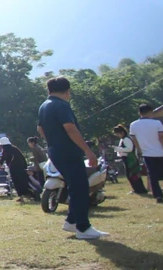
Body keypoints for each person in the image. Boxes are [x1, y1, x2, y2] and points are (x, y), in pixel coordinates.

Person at [37, 77, 108, 239]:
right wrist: (88, 151)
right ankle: (83, 227)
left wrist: (52, 142)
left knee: (75, 187)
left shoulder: (44, 106)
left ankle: (72, 221)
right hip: (68, 151)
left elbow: (40, 128)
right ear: (67, 90)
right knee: (81, 188)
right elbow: (70, 128)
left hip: (55, 151)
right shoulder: (61, 105)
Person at [111, 124, 148, 195]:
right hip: (127, 159)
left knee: (133, 175)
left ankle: (140, 190)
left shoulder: (126, 139)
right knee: (131, 175)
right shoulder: (123, 139)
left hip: (130, 160)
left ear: (122, 132)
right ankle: (137, 189)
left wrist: (118, 148)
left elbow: (129, 149)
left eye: (118, 134)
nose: (117, 135)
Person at [0, 137, 31, 202]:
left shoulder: (6, 150)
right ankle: (26, 195)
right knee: (23, 181)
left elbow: (3, 158)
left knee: (17, 182)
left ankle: (22, 196)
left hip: (14, 169)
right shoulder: (15, 149)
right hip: (21, 168)